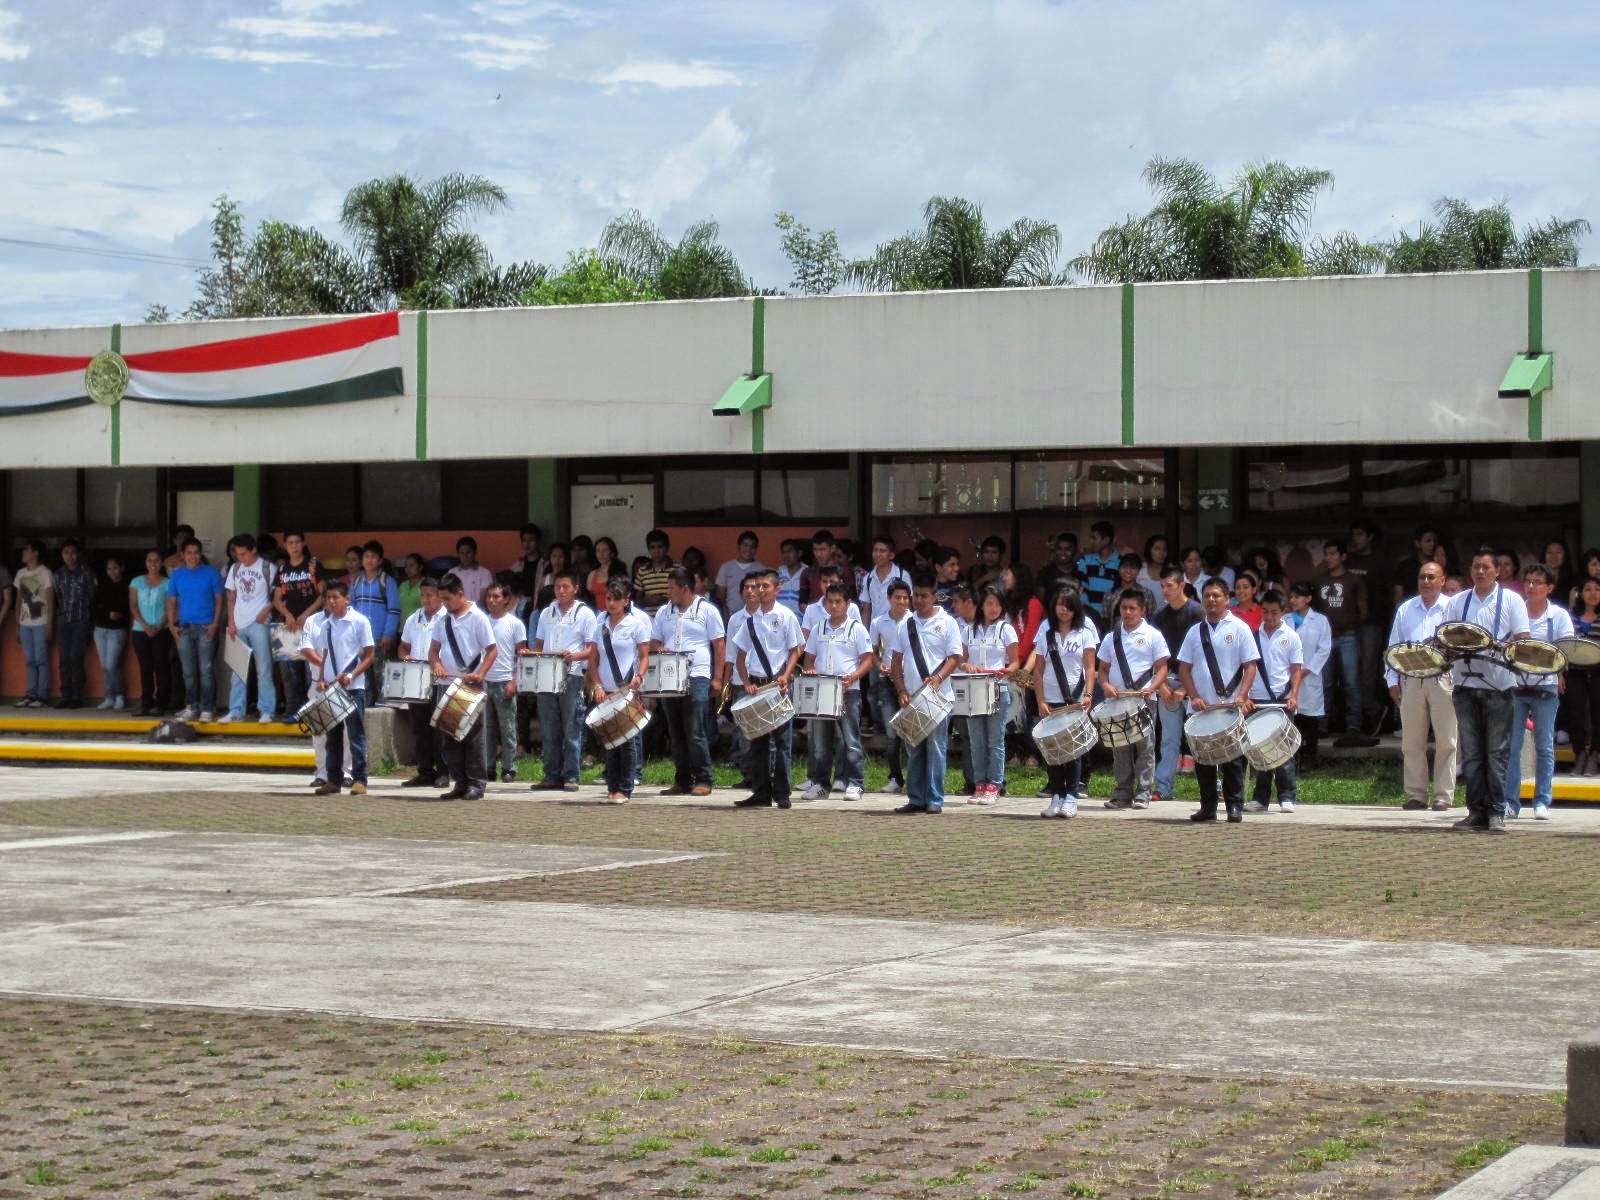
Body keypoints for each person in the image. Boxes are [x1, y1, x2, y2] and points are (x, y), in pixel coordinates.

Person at [1444, 547, 1531, 832]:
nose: (1480, 572)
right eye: (1476, 567)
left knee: (1497, 752)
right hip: (1465, 684)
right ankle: (1475, 810)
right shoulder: (1458, 601)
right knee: (1471, 752)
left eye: (1485, 567)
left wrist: (1497, 645)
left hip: (1499, 685)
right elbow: (1444, 636)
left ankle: (1496, 811)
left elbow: (1523, 642)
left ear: (1497, 571)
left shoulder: (1512, 600)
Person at [1176, 579, 1260, 824]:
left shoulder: (1240, 628)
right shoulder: (1195, 631)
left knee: (1232, 758)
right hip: (1203, 707)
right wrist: (1194, 696)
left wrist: (1242, 695)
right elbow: (1184, 668)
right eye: (1207, 596)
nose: (1211, 600)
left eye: (1216, 595)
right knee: (1204, 760)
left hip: (1229, 706)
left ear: (1227, 598)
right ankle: (1208, 806)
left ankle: (1234, 806)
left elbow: (1250, 666)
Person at [887, 574, 964, 815]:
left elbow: (954, 657)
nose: (918, 600)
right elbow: (896, 661)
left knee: (937, 747)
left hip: (938, 695)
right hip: (912, 695)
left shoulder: (948, 622)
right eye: (915, 596)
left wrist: (939, 679)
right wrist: (901, 689)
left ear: (934, 597)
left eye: (923, 596)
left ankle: (935, 798)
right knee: (914, 747)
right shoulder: (905, 624)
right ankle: (916, 797)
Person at [730, 568, 805, 809]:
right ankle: (761, 792)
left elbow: (796, 649)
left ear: (777, 589)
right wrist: (746, 682)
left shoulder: (786, 616)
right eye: (757, 586)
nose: (760, 591)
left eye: (765, 586)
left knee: (783, 743)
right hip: (758, 684)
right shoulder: (750, 621)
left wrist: (786, 675)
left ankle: (782, 792)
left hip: (779, 684)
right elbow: (740, 656)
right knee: (758, 743)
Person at [1385, 561, 1457, 812]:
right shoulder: (1406, 609)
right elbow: (1394, 647)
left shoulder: (1452, 608)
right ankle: (1416, 794)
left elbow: (1460, 646)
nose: (1426, 581)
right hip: (1411, 679)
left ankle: (1443, 796)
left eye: (1431, 577)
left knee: (1447, 741)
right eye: (1422, 577)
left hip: (1443, 678)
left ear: (1442, 580)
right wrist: (1392, 680)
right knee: (1412, 742)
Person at [1505, 564, 1572, 820]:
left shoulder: (1558, 615)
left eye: (1538, 582)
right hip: (1517, 683)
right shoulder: (1514, 609)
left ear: (1549, 587)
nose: (1531, 586)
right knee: (1513, 746)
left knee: (1545, 745)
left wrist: (1559, 673)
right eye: (1528, 581)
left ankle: (1542, 800)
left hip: (1545, 685)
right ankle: (1511, 801)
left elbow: (1566, 650)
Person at [652, 567, 725, 798]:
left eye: (671, 588)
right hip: (670, 677)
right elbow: (654, 642)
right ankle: (682, 779)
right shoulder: (664, 612)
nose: (668, 592)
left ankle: (703, 778)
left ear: (685, 588)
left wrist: (718, 678)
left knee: (695, 730)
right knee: (676, 731)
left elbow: (719, 645)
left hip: (697, 675)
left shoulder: (707, 610)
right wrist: (659, 648)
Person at [1096, 586, 1169, 811]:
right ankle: (1122, 792)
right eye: (1124, 608)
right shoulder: (1111, 637)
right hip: (1118, 701)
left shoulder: (1153, 635)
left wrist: (1152, 688)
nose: (1127, 612)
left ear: (1142, 610)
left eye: (1132, 608)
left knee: (1145, 747)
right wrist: (1106, 685)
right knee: (1120, 748)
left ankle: (1144, 792)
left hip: (1144, 699)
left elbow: (1162, 668)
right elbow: (1103, 669)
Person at [300, 581, 376, 797]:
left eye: (335, 597)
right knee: (332, 735)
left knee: (355, 734)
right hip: (332, 686)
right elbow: (324, 654)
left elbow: (370, 654)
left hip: (354, 686)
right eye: (328, 598)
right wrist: (322, 678)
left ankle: (360, 778)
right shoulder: (325, 624)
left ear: (346, 599)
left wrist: (352, 675)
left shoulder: (359, 622)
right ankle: (333, 778)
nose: (331, 602)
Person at [800, 582, 873, 802]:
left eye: (838, 602)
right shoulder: (818, 628)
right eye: (830, 601)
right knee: (820, 743)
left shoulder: (856, 629)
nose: (833, 606)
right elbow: (809, 658)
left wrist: (854, 676)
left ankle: (855, 783)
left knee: (850, 739)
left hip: (848, 690)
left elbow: (867, 659)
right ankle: (821, 783)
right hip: (823, 690)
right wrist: (810, 670)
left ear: (848, 603)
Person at [1029, 586, 1098, 818]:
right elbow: (1038, 670)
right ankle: (1056, 794)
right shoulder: (1046, 631)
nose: (1064, 610)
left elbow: (1090, 667)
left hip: (1075, 698)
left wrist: (1088, 694)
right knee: (1052, 749)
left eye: (1069, 605)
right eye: (1060, 604)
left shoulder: (1085, 632)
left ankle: (1071, 795)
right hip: (1050, 698)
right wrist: (1040, 700)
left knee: (1073, 750)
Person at [429, 574, 499, 801]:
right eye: (442, 600)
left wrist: (480, 674)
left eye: (448, 599)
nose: (445, 604)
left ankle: (477, 784)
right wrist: (437, 664)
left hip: (471, 684)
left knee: (474, 736)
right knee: (450, 736)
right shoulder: (443, 620)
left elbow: (492, 650)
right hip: (448, 684)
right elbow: (433, 650)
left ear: (461, 594)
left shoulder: (478, 617)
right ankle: (459, 782)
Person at [588, 577, 653, 804]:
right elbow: (593, 661)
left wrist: (639, 677)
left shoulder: (636, 625)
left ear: (626, 600)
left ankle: (625, 787)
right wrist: (596, 685)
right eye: (608, 598)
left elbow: (644, 657)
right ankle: (612, 784)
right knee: (610, 741)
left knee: (627, 741)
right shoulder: (600, 626)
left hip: (627, 690)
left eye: (616, 599)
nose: (611, 603)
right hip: (605, 691)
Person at [531, 569, 596, 793]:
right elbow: (539, 645)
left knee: (572, 726)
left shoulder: (585, 614)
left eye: (566, 587)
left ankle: (571, 775)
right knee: (549, 728)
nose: (561, 591)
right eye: (558, 587)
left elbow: (592, 649)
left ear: (576, 589)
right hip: (548, 675)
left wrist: (574, 656)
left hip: (573, 674)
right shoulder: (546, 612)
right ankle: (551, 774)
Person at [1244, 589, 1304, 814]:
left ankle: (1287, 796)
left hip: (1281, 700)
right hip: (1258, 700)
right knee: (1260, 751)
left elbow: (1296, 670)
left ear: (1283, 612)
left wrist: (1294, 696)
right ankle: (1260, 798)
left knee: (1283, 751)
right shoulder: (1253, 636)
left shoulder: (1291, 636)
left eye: (1274, 613)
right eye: (1266, 612)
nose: (1269, 617)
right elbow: (1246, 669)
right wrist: (1246, 696)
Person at [962, 584, 1019, 805]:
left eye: (996, 604)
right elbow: (962, 659)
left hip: (997, 688)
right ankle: (980, 783)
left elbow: (1014, 662)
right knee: (976, 740)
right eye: (988, 604)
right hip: (974, 689)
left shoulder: (1006, 629)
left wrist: (1005, 671)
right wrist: (967, 666)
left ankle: (994, 784)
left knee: (995, 740)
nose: (993, 608)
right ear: (981, 606)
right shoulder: (969, 630)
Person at [1314, 540, 1372, 747]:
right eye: (1326, 554)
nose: (1328, 558)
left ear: (1343, 556)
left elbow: (1363, 609)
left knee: (1351, 682)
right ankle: (1322, 725)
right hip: (1324, 639)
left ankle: (1354, 725)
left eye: (1332, 553)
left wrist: (1351, 625)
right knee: (1324, 682)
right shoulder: (1319, 580)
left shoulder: (1353, 580)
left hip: (1348, 636)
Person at [1152, 567, 1202, 803]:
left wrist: (1187, 688)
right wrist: (1160, 685)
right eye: (1162, 586)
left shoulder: (1196, 612)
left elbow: (1203, 654)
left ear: (1182, 586)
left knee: (1203, 737)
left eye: (1169, 585)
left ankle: (1215, 787)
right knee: (1169, 738)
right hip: (1168, 678)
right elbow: (1153, 654)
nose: (1165, 590)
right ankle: (1163, 787)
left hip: (1196, 681)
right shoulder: (1160, 616)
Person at [397, 578, 449, 790]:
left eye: (430, 595)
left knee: (440, 728)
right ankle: (424, 771)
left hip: (440, 678)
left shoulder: (447, 618)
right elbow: (402, 647)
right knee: (420, 728)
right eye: (423, 595)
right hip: (416, 680)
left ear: (439, 596)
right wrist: (405, 657)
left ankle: (444, 771)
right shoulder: (412, 618)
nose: (426, 599)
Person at [167, 537, 225, 722]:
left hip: (205, 627)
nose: (193, 556)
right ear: (183, 555)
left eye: (196, 553)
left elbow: (219, 600)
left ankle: (208, 708)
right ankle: (192, 706)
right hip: (184, 628)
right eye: (189, 553)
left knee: (206, 670)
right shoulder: (177, 575)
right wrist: (170, 624)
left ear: (201, 554)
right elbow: (171, 600)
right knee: (188, 671)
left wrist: (215, 623)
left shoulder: (212, 573)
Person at [222, 533, 277, 724]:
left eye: (244, 554)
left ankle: (267, 709)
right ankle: (236, 710)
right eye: (238, 554)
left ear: (253, 550)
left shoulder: (268, 568)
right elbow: (231, 597)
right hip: (238, 623)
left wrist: (266, 610)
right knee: (237, 669)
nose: (241, 558)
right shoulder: (235, 568)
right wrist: (231, 622)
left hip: (259, 623)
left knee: (264, 668)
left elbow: (278, 596)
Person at [273, 532, 324, 722]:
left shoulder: (313, 565)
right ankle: (293, 710)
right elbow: (277, 599)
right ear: (285, 545)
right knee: (289, 670)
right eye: (290, 543)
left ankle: (312, 711)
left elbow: (322, 594)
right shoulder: (283, 570)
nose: (294, 546)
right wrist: (287, 614)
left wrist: (306, 614)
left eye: (297, 542)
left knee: (311, 669)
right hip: (289, 627)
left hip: (311, 624)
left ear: (303, 544)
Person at [868, 578, 912, 796]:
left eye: (905, 598)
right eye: (898, 597)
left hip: (909, 681)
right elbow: (872, 651)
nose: (902, 602)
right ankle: (895, 776)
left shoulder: (914, 621)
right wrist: (880, 665)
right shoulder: (879, 622)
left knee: (912, 729)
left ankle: (914, 777)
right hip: (887, 681)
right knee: (892, 731)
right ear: (889, 598)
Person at [482, 581, 528, 784]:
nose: (492, 601)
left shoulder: (514, 623)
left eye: (496, 597)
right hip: (485, 681)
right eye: (489, 596)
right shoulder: (482, 622)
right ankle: (488, 766)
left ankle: (509, 766)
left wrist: (515, 681)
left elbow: (522, 655)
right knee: (487, 728)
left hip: (504, 680)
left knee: (507, 727)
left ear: (506, 600)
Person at [1286, 582, 1332, 771]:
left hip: (1309, 675)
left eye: (1297, 597)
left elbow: (1324, 649)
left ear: (1308, 599)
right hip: (1288, 675)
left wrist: (1306, 670)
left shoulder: (1320, 620)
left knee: (1310, 719)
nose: (1293, 600)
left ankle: (1310, 756)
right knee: (1292, 718)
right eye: (1292, 597)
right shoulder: (1286, 619)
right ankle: (1292, 757)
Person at [129, 550, 174, 716]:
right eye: (150, 561)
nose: (153, 564)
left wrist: (160, 625)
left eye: (156, 561)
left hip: (162, 630)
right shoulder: (136, 582)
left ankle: (161, 702)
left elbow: (172, 607)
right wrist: (145, 626)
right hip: (140, 630)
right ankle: (145, 702)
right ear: (145, 563)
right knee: (145, 667)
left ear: (161, 563)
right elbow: (133, 606)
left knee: (161, 666)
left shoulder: (168, 583)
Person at [349, 541, 400, 683]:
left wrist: (388, 634)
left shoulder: (387, 582)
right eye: (366, 556)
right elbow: (350, 607)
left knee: (382, 676)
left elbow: (394, 610)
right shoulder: (356, 581)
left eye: (373, 557)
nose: (369, 560)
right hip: (359, 638)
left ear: (380, 561)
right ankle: (365, 704)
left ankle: (383, 705)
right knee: (361, 676)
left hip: (379, 637)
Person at [53, 539, 94, 709]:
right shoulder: (58, 574)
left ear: (78, 554)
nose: (70, 556)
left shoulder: (87, 573)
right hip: (64, 620)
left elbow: (92, 596)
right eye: (66, 552)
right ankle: (65, 695)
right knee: (64, 659)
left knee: (76, 657)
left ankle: (77, 696)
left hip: (81, 619)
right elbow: (56, 596)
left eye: (73, 552)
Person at [13, 540, 52, 708]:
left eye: (26, 549)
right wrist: (17, 624)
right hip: (25, 623)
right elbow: (18, 600)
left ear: (35, 553)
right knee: (29, 660)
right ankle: (30, 693)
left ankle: (42, 695)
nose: (23, 552)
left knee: (41, 659)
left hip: (40, 622)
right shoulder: (21, 573)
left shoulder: (45, 573)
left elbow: (50, 600)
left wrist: (50, 624)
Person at [1567, 579, 1600, 776]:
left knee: (1598, 715)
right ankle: (1579, 754)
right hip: (1575, 672)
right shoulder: (1571, 616)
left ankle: (1595, 755)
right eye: (1587, 589)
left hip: (1598, 672)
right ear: (1580, 593)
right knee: (1576, 715)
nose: (1593, 593)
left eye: (1597, 589)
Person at [92, 555, 131, 711]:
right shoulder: (102, 585)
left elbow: (129, 608)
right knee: (104, 666)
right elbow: (95, 606)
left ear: (122, 568)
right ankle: (109, 697)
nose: (112, 572)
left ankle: (119, 695)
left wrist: (120, 614)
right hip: (100, 629)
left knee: (111, 664)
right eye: (109, 569)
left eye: (115, 568)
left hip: (117, 630)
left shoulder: (128, 586)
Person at [860, 535, 908, 626]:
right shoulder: (868, 578)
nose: (877, 554)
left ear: (891, 555)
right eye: (875, 550)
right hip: (876, 631)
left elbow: (908, 605)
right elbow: (867, 609)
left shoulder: (902, 576)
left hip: (898, 630)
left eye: (882, 551)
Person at [1101, 552, 1155, 629]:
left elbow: (1152, 618)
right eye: (1124, 567)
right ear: (1119, 569)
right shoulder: (1110, 593)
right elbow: (1105, 620)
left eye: (1133, 568)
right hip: (1116, 636)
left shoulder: (1146, 593)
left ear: (1138, 571)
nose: (1128, 571)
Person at [714, 530, 765, 610]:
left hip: (754, 614)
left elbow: (764, 594)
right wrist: (724, 610)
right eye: (745, 545)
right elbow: (720, 593)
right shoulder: (726, 567)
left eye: (752, 546)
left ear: (756, 549)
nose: (748, 549)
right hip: (731, 614)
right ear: (739, 546)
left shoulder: (762, 569)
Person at [1077, 521, 1120, 614]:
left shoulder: (1121, 562)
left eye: (1094, 538)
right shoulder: (1085, 561)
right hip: (1089, 616)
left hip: (1112, 617)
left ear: (1106, 540)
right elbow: (1081, 589)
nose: (1090, 542)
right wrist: (1092, 613)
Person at [631, 529, 675, 615]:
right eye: (652, 548)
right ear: (648, 549)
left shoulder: (677, 570)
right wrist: (646, 600)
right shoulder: (642, 571)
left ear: (667, 548)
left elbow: (682, 597)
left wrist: (662, 600)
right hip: (649, 619)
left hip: (671, 617)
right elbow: (637, 600)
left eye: (660, 547)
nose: (656, 551)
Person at [451, 537, 493, 605]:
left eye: (468, 552)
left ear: (475, 553)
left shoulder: (485, 573)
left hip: (478, 613)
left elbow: (483, 601)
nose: (465, 556)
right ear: (458, 554)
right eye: (462, 553)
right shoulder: (452, 573)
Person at [587, 537, 624, 606]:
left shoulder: (619, 573)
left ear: (612, 553)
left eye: (605, 550)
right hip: (597, 614)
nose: (601, 554)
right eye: (598, 551)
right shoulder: (592, 574)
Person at [1138, 536, 1171, 611]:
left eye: (1164, 549)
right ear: (1149, 550)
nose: (1161, 553)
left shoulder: (1172, 573)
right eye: (1157, 549)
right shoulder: (1140, 573)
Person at [398, 552, 427, 626]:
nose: (408, 569)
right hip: (402, 629)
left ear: (420, 567)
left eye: (412, 565)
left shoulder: (426, 585)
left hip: (419, 628)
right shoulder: (403, 586)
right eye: (406, 566)